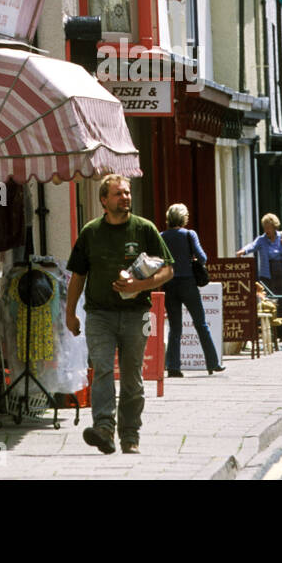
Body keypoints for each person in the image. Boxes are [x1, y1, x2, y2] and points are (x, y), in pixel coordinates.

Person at [65, 174, 174, 455]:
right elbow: (78, 275)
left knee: (131, 376)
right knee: (102, 369)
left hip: (135, 314)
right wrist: (70, 313)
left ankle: (130, 435)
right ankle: (103, 428)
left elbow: (168, 269)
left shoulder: (144, 229)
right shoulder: (91, 232)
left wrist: (140, 285)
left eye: (127, 193)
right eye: (118, 194)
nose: (125, 198)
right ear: (104, 200)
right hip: (99, 314)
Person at [160, 204, 225, 377]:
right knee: (200, 323)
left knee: (175, 327)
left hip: (169, 283)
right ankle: (212, 362)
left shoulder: (162, 236)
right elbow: (202, 258)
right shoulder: (189, 234)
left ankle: (173, 366)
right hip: (188, 282)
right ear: (183, 218)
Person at [238, 214, 282, 343]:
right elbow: (252, 246)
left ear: (274, 227)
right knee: (270, 303)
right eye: (265, 227)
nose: (267, 230)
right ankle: (272, 334)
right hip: (268, 275)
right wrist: (243, 251)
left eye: (269, 227)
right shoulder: (262, 239)